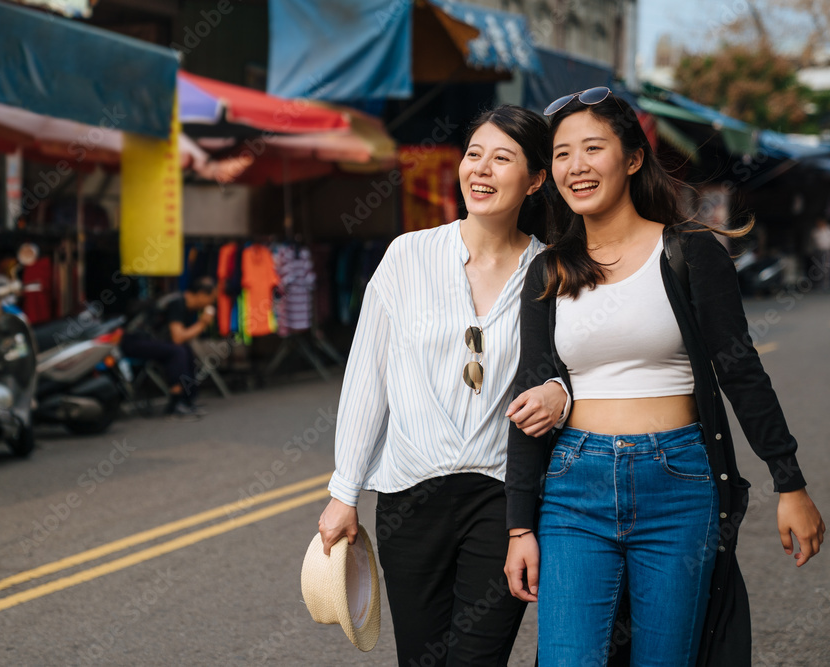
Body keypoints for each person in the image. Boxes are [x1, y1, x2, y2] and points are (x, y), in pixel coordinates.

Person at [503, 87, 826, 666]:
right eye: (561, 154)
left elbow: (740, 371)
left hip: (678, 483)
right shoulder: (549, 270)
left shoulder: (688, 252)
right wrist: (518, 527)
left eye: (593, 148)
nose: (576, 166)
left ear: (632, 158)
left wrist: (789, 482)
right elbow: (530, 397)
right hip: (575, 486)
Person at [318, 106, 570, 665]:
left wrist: (562, 393)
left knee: (477, 658)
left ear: (535, 179)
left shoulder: (552, 271)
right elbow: (367, 378)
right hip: (411, 494)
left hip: (504, 496)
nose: (481, 169)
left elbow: (580, 367)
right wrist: (344, 492)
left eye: (501, 158)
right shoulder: (407, 255)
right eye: (474, 154)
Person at [120, 276, 218, 417]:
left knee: (185, 350)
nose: (212, 302)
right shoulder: (177, 302)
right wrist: (203, 323)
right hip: (134, 342)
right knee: (177, 351)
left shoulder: (185, 305)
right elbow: (178, 337)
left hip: (147, 341)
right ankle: (176, 401)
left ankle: (187, 399)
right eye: (211, 298)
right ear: (202, 294)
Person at [812, 217, 830, 290]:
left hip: (827, 250)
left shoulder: (828, 230)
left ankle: (826, 283)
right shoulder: (815, 231)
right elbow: (815, 241)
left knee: (826, 266)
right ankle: (819, 283)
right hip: (818, 250)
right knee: (818, 267)